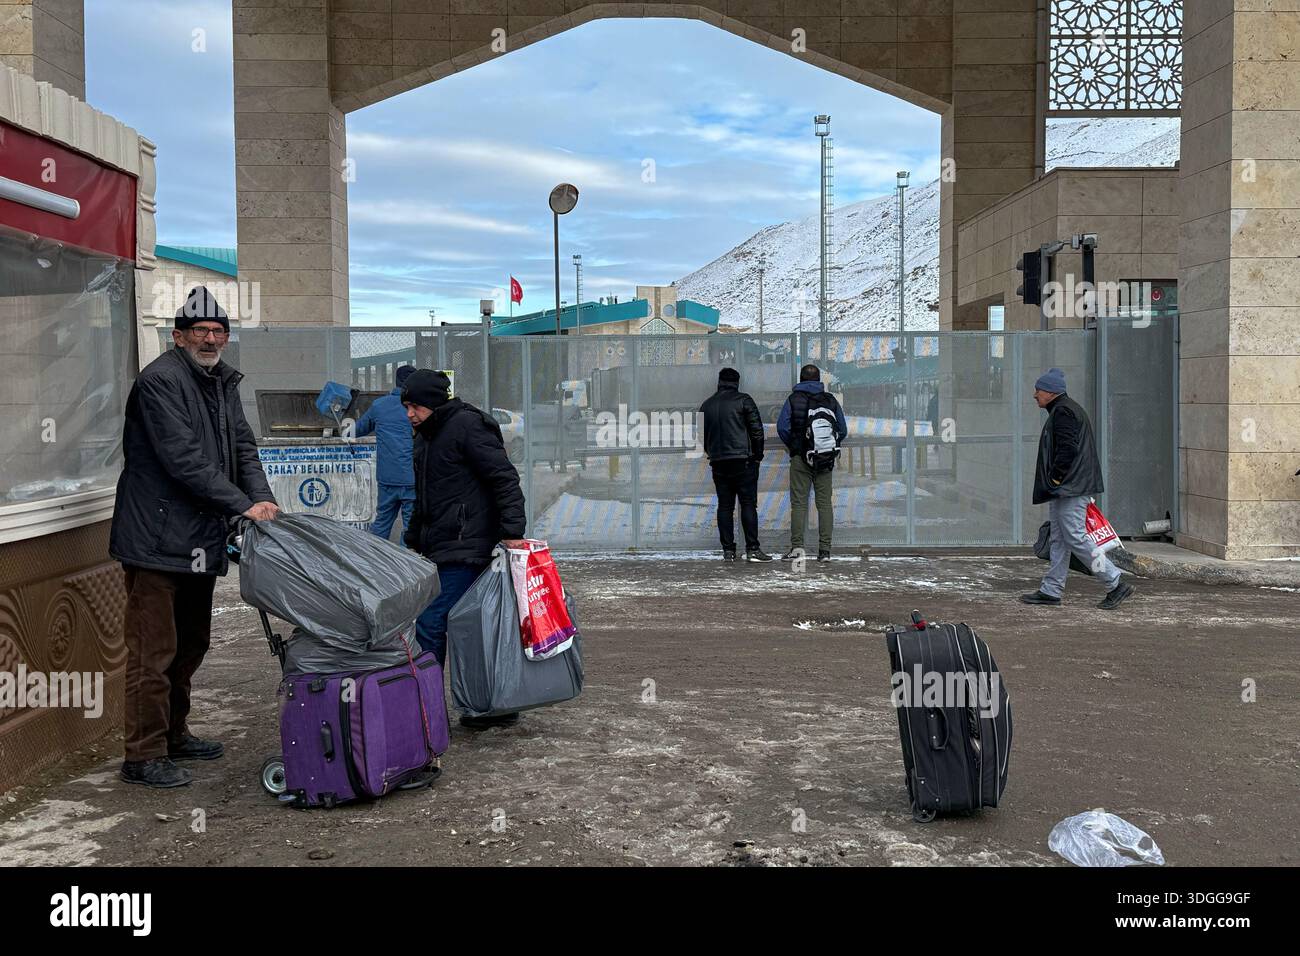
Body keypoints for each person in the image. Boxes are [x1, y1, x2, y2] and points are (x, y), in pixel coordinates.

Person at [109, 287, 279, 789]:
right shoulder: (160, 382)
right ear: (178, 336)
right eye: (201, 331)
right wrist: (240, 504)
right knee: (152, 651)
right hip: (156, 540)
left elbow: (243, 447)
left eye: (218, 331)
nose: (211, 339)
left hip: (199, 539)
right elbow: (183, 458)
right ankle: (141, 754)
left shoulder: (220, 381)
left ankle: (174, 734)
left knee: (190, 645)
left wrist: (262, 499)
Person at [402, 369, 527, 727]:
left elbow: (504, 478)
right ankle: (488, 707)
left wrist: (512, 531)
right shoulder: (425, 436)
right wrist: (413, 538)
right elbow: (426, 496)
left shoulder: (467, 426)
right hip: (441, 545)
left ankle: (426, 714)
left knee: (431, 624)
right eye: (406, 406)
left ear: (433, 402)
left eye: (415, 405)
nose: (409, 413)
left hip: (467, 545)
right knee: (471, 628)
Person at [1020, 367, 1134, 610]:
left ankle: (1115, 582)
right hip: (1068, 487)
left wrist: (1058, 479)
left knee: (1074, 536)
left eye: (1038, 390)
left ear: (1051, 392)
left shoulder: (1064, 412)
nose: (1034, 395)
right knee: (1059, 538)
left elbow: (1068, 450)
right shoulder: (1063, 409)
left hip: (1071, 487)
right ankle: (1051, 590)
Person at [700, 367, 772, 562]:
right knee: (748, 504)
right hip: (744, 461)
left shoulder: (706, 405)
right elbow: (757, 430)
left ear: (719, 382)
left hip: (719, 462)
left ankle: (728, 550)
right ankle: (753, 549)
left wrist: (713, 453)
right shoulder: (744, 400)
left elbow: (700, 438)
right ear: (736, 383)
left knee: (725, 506)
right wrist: (757, 455)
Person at [777, 365, 848, 562]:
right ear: (818, 380)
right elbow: (843, 429)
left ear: (800, 379)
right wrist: (829, 445)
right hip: (825, 458)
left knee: (799, 504)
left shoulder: (793, 399)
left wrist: (794, 446)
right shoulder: (830, 400)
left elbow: (782, 427)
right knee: (824, 504)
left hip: (801, 457)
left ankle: (797, 548)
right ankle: (825, 551)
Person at [355, 364, 417, 542]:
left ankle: (376, 562)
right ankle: (407, 565)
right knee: (410, 527)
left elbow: (357, 430)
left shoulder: (379, 406)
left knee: (382, 523)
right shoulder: (417, 408)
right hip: (410, 478)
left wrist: (344, 425)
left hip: (386, 477)